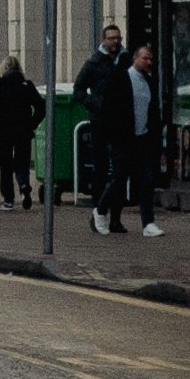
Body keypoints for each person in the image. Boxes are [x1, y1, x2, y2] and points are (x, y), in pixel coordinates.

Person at [73, 27, 133, 235]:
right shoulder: (94, 64)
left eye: (118, 38)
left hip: (122, 122)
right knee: (100, 170)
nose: (115, 42)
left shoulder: (126, 61)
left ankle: (116, 218)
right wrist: (95, 103)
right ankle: (99, 213)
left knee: (119, 171)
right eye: (111, 38)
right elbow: (78, 90)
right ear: (103, 40)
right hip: (100, 121)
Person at [0, 42, 42, 220]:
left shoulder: (0, 86)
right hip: (23, 130)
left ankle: (8, 199)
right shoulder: (27, 85)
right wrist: (32, 123)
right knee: (22, 162)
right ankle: (24, 185)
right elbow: (41, 107)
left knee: (5, 165)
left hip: (5, 130)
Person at [125, 35, 163, 237]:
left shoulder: (149, 81)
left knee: (146, 180)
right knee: (119, 180)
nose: (149, 62)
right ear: (135, 59)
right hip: (125, 139)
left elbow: (152, 109)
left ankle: (148, 223)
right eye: (145, 58)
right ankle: (100, 211)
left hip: (143, 138)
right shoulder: (124, 79)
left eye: (150, 59)